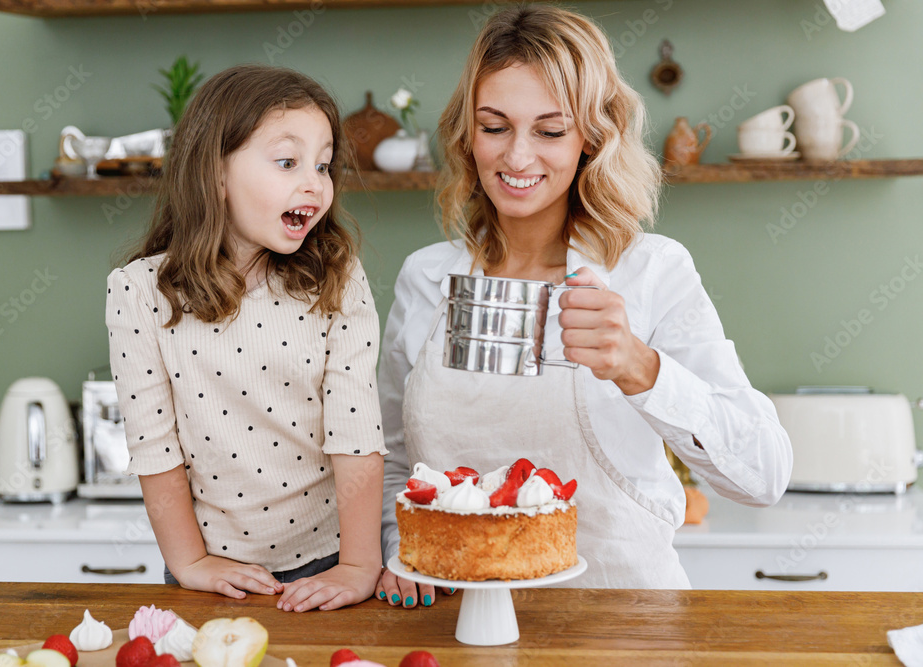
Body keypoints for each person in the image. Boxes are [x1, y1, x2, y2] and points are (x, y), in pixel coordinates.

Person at [376, 4, 792, 604]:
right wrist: (402, 549)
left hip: (622, 617)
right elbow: (394, 461)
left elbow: (764, 476)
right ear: (467, 135)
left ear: (592, 138)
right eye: (494, 127)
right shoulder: (426, 277)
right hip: (458, 625)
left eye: (549, 131)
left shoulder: (652, 271)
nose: (518, 158)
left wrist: (640, 368)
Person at [106, 64, 386, 613]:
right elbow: (155, 448)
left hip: (330, 564)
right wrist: (190, 563)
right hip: (212, 572)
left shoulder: (338, 277)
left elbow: (357, 434)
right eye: (287, 162)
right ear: (215, 173)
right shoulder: (139, 292)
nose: (315, 183)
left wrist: (358, 566)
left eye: (323, 165)